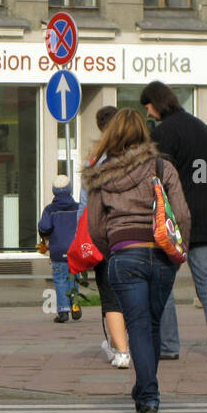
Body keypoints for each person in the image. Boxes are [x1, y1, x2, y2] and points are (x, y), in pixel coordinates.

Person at [82, 108, 191, 413]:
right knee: (152, 325)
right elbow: (181, 214)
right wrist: (178, 252)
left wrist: (114, 248)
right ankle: (147, 392)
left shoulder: (100, 176)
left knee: (139, 326)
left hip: (124, 254)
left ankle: (147, 395)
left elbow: (95, 225)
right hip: (160, 253)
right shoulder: (161, 166)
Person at [141, 80, 207, 361]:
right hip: (204, 215)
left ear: (157, 103)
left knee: (164, 282)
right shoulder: (203, 129)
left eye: (148, 106)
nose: (147, 113)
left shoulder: (162, 135)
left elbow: (156, 179)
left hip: (173, 217)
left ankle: (167, 345)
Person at [78, 105, 131, 369]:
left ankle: (121, 351)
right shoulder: (142, 158)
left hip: (104, 238)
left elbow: (84, 206)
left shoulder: (94, 162)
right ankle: (124, 345)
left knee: (110, 295)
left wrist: (81, 240)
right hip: (135, 237)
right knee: (133, 294)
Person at [38, 175, 80, 324]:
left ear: (54, 191)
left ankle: (63, 311)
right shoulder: (78, 207)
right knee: (74, 278)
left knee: (60, 279)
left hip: (57, 250)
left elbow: (44, 227)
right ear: (69, 190)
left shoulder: (50, 209)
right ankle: (75, 305)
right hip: (75, 250)